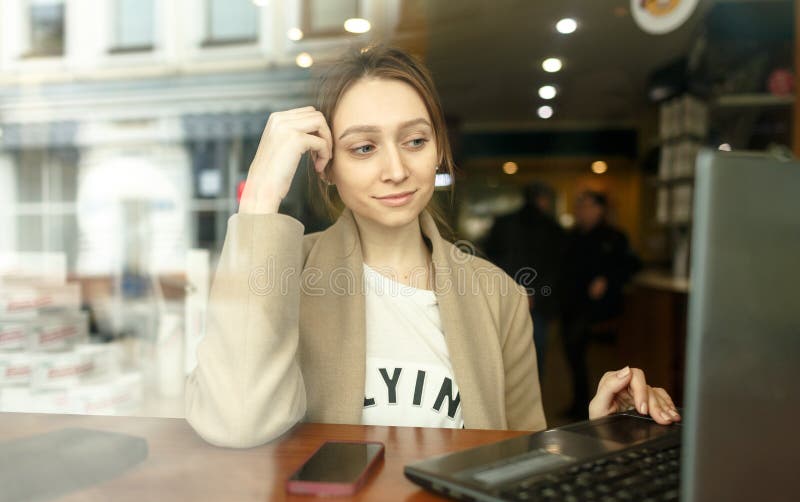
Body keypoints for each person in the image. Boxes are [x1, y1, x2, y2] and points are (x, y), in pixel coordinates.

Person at [185, 46, 678, 448]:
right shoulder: (282, 277)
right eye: (363, 147)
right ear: (325, 165)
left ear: (438, 148)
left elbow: (521, 459)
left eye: (415, 141)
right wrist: (262, 197)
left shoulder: (498, 296)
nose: (396, 169)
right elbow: (236, 423)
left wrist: (598, 431)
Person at [561, 191, 643, 419]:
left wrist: (606, 279)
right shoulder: (572, 236)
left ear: (599, 209)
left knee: (594, 356)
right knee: (572, 356)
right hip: (572, 305)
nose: (582, 211)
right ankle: (579, 404)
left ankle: (601, 404)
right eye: (579, 206)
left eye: (587, 206)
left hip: (598, 310)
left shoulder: (614, 237)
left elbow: (632, 265)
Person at [484, 183, 565, 378]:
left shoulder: (503, 223)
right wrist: (534, 294)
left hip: (504, 299)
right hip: (538, 302)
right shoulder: (552, 228)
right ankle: (531, 404)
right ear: (542, 200)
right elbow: (555, 267)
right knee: (534, 360)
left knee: (502, 356)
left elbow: (489, 261)